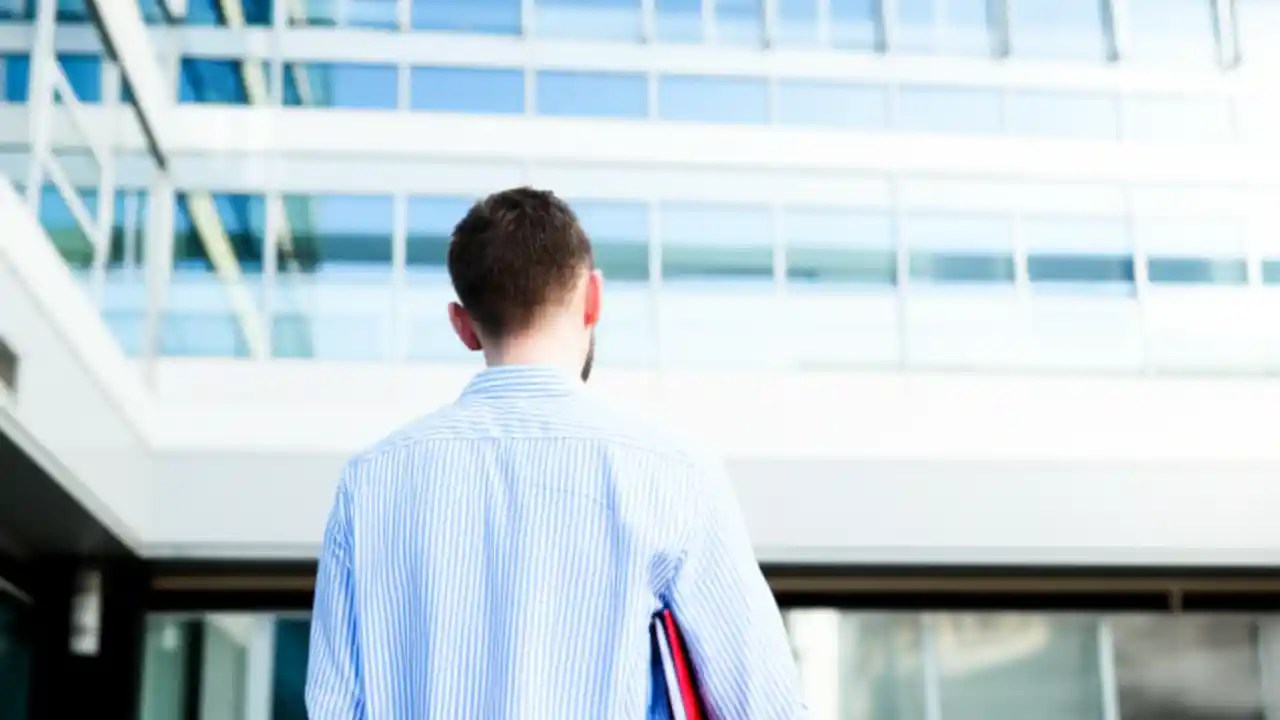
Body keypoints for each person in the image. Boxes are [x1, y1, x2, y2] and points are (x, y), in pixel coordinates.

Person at [305, 187, 805, 719]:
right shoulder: (675, 476)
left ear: (462, 325)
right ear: (593, 298)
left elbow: (335, 707)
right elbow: (764, 707)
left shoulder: (370, 483)